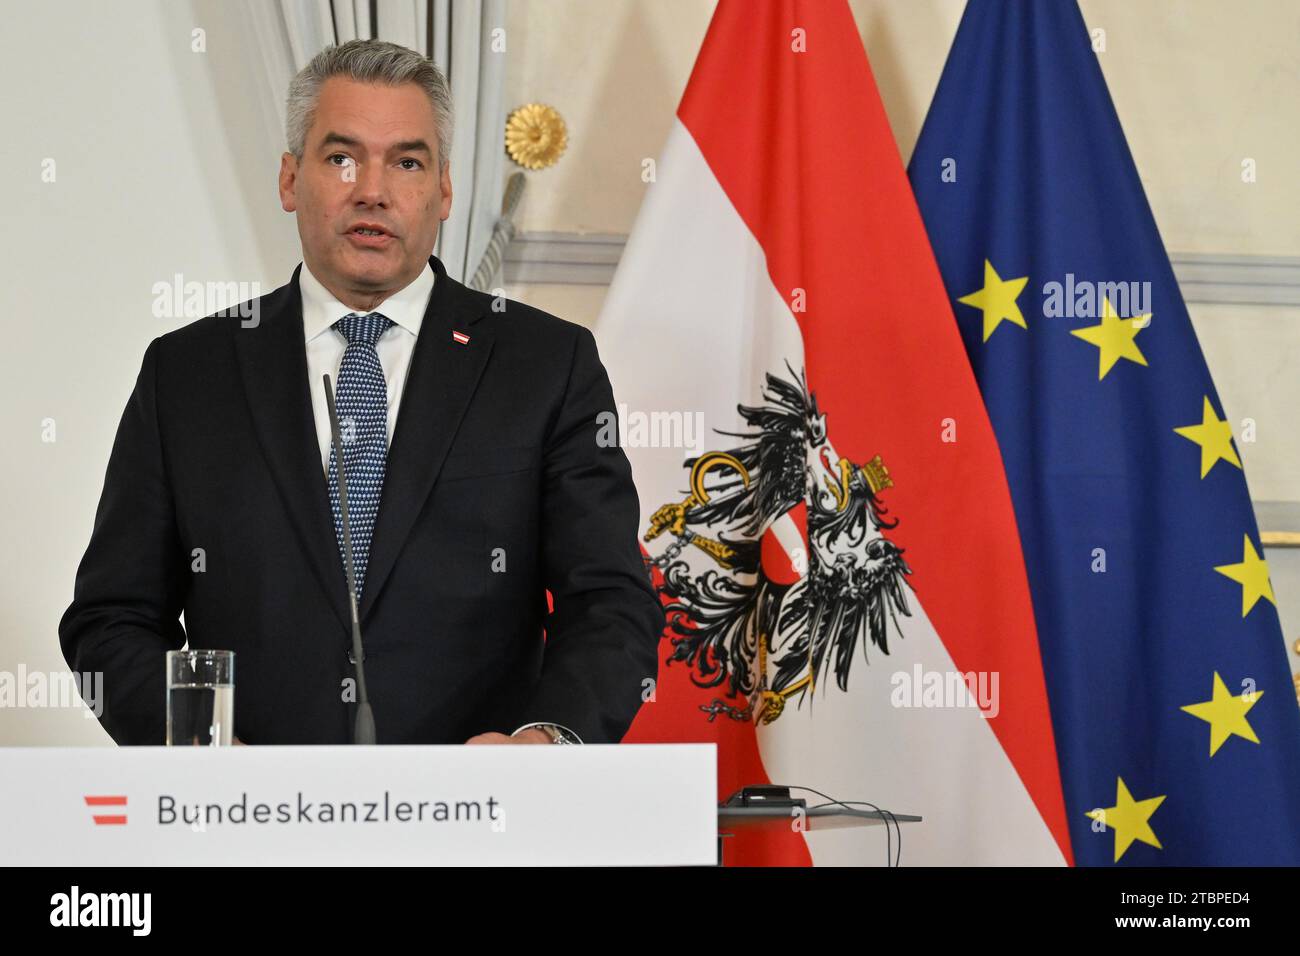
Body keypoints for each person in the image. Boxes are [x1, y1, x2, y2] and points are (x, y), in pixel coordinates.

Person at [59, 39, 663, 746]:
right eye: (341, 158)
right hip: (251, 831)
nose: (371, 189)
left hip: (477, 826)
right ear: (290, 180)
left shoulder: (545, 365)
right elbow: (112, 618)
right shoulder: (187, 374)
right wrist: (203, 752)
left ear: (443, 191)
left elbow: (609, 600)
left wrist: (547, 739)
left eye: (406, 162)